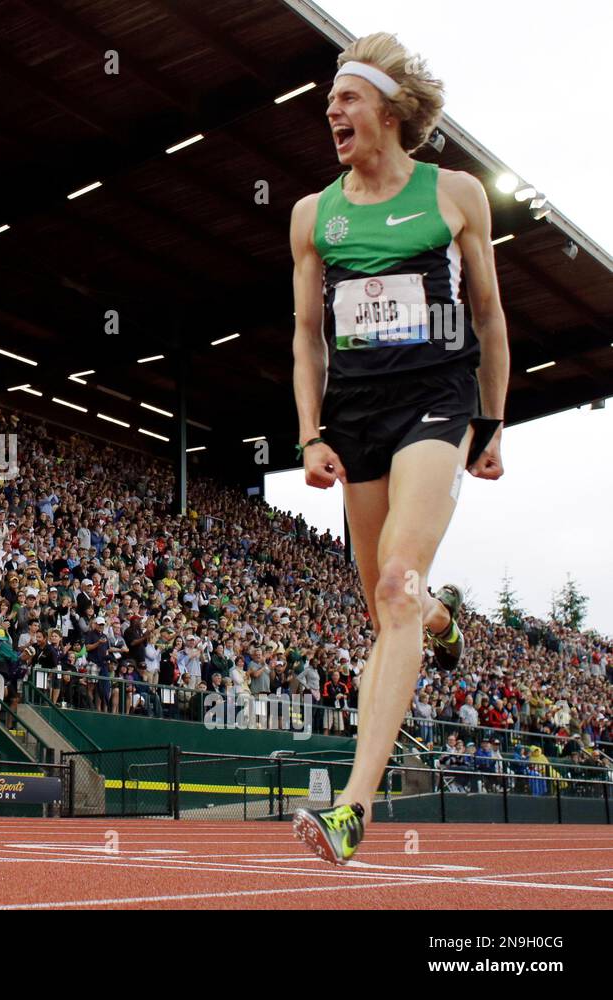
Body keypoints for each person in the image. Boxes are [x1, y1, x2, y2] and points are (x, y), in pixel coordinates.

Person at [290, 34, 509, 866]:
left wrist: (490, 421)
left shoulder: (453, 195)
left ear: (388, 109)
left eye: (346, 97)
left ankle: (350, 809)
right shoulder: (313, 214)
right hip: (357, 415)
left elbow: (486, 318)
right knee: (395, 610)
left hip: (436, 401)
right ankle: (443, 622)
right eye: (330, 100)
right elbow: (308, 335)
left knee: (393, 583)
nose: (331, 110)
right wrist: (311, 433)